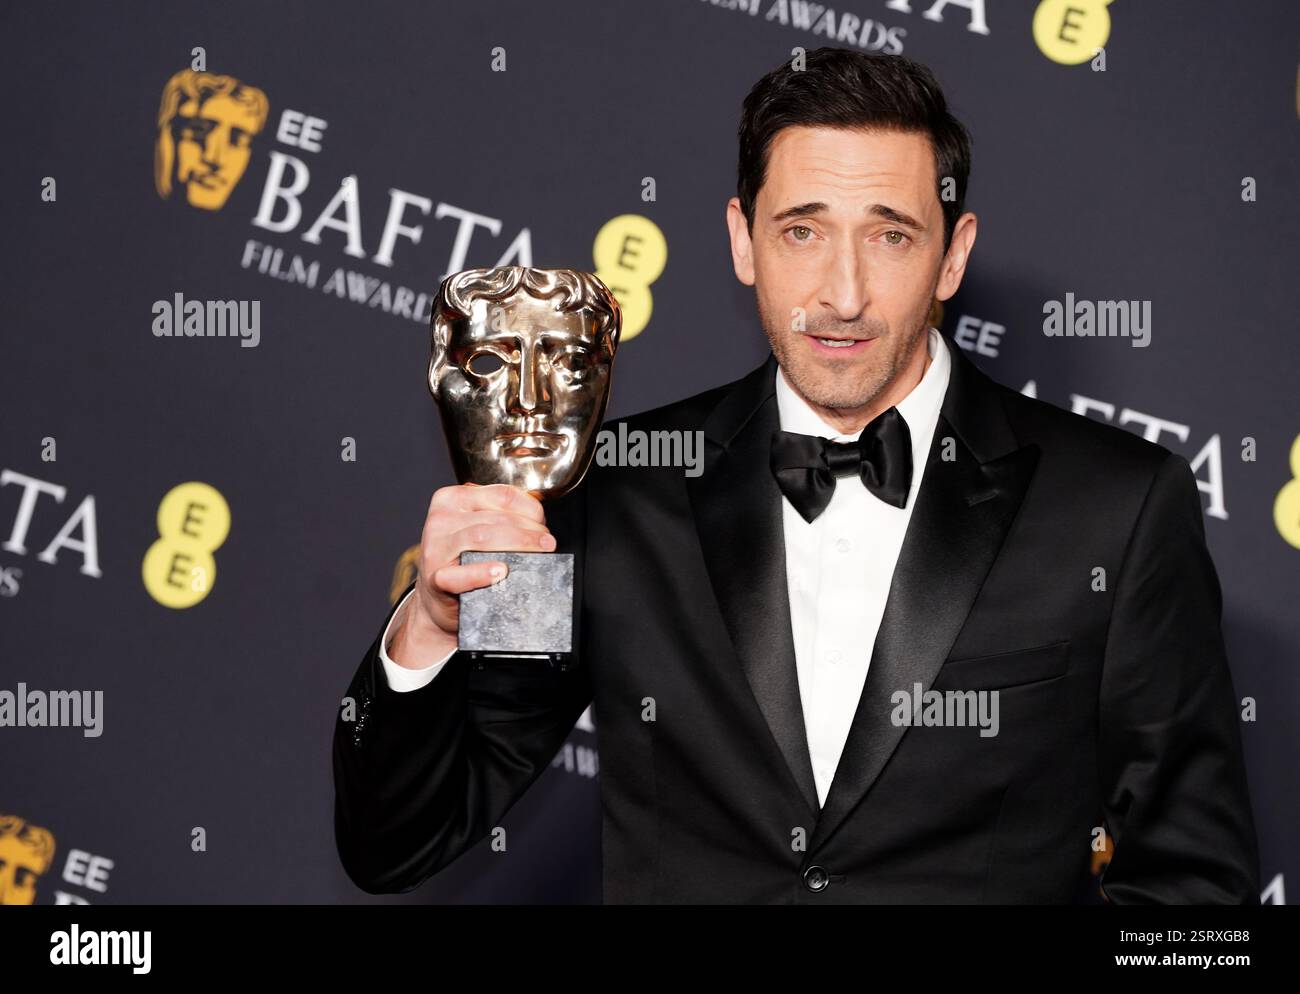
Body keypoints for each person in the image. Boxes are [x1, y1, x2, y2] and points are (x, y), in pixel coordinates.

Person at [332, 47, 1260, 904]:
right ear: (743, 241)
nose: (843, 293)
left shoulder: (1118, 510)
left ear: (955, 253)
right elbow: (399, 839)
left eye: (891, 235)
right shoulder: (608, 492)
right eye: (802, 231)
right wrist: (431, 622)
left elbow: (1195, 904)